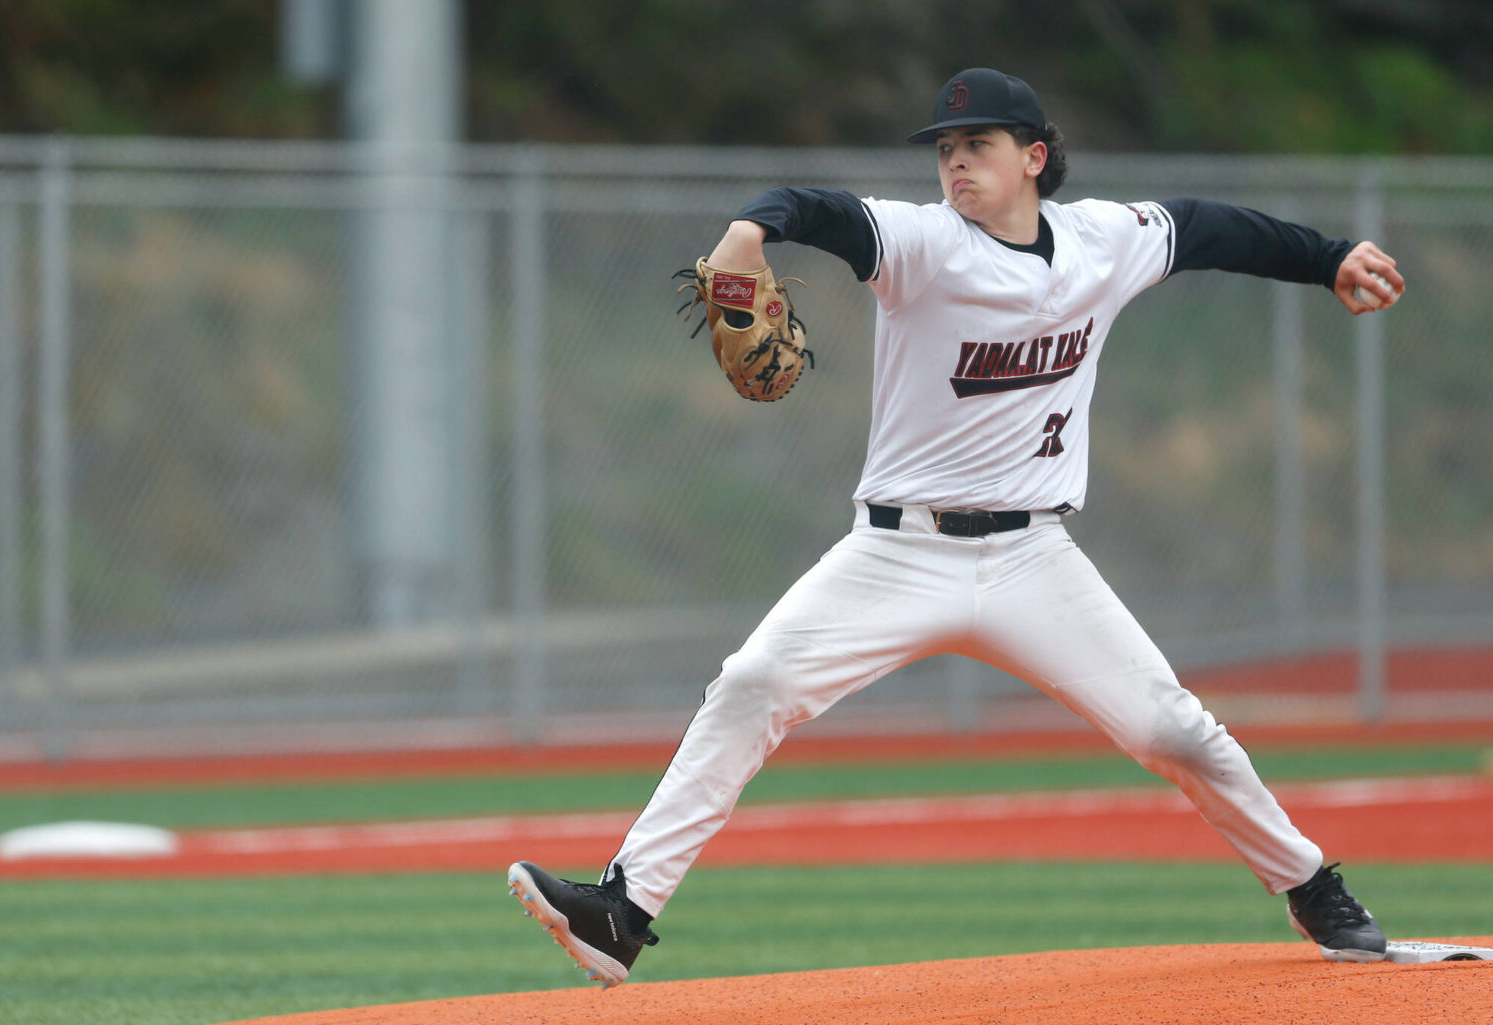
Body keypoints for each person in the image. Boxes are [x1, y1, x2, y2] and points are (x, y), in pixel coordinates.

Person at [507, 67, 1404, 988]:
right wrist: (748, 233)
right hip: (896, 552)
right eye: (944, 149)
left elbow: (1214, 229)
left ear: (1034, 157)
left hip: (1033, 558)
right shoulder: (923, 243)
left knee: (1172, 728)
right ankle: (623, 910)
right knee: (753, 681)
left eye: (977, 145)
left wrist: (1328, 258)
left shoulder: (1102, 241)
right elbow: (814, 209)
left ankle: (1311, 886)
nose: (955, 164)